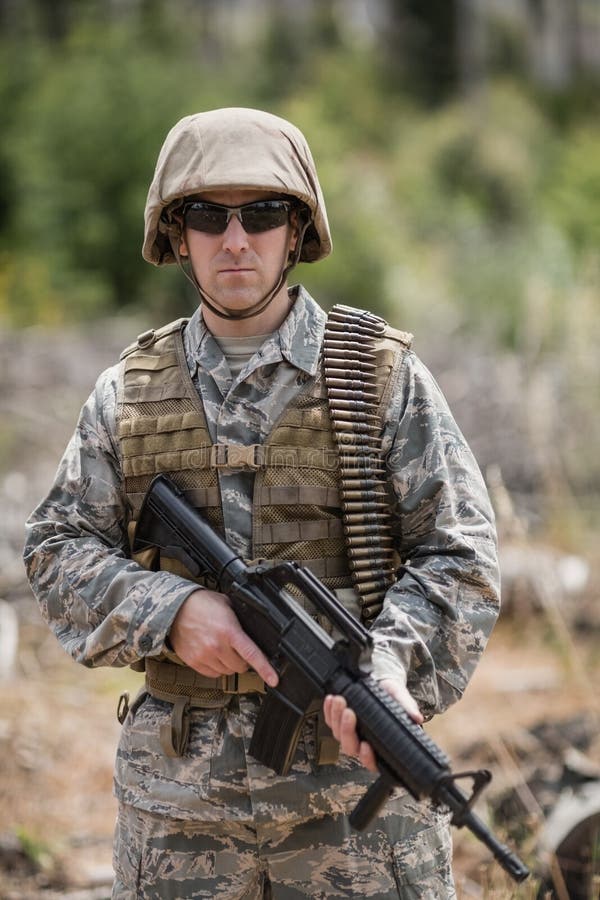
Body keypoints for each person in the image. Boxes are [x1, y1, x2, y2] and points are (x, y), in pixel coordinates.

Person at [23, 107, 500, 899]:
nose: (235, 239)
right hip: (179, 817)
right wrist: (170, 609)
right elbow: (56, 548)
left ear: (296, 230)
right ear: (177, 236)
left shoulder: (379, 377)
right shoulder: (128, 395)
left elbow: (463, 556)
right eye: (208, 215)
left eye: (263, 213)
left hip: (354, 816)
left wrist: (389, 661)